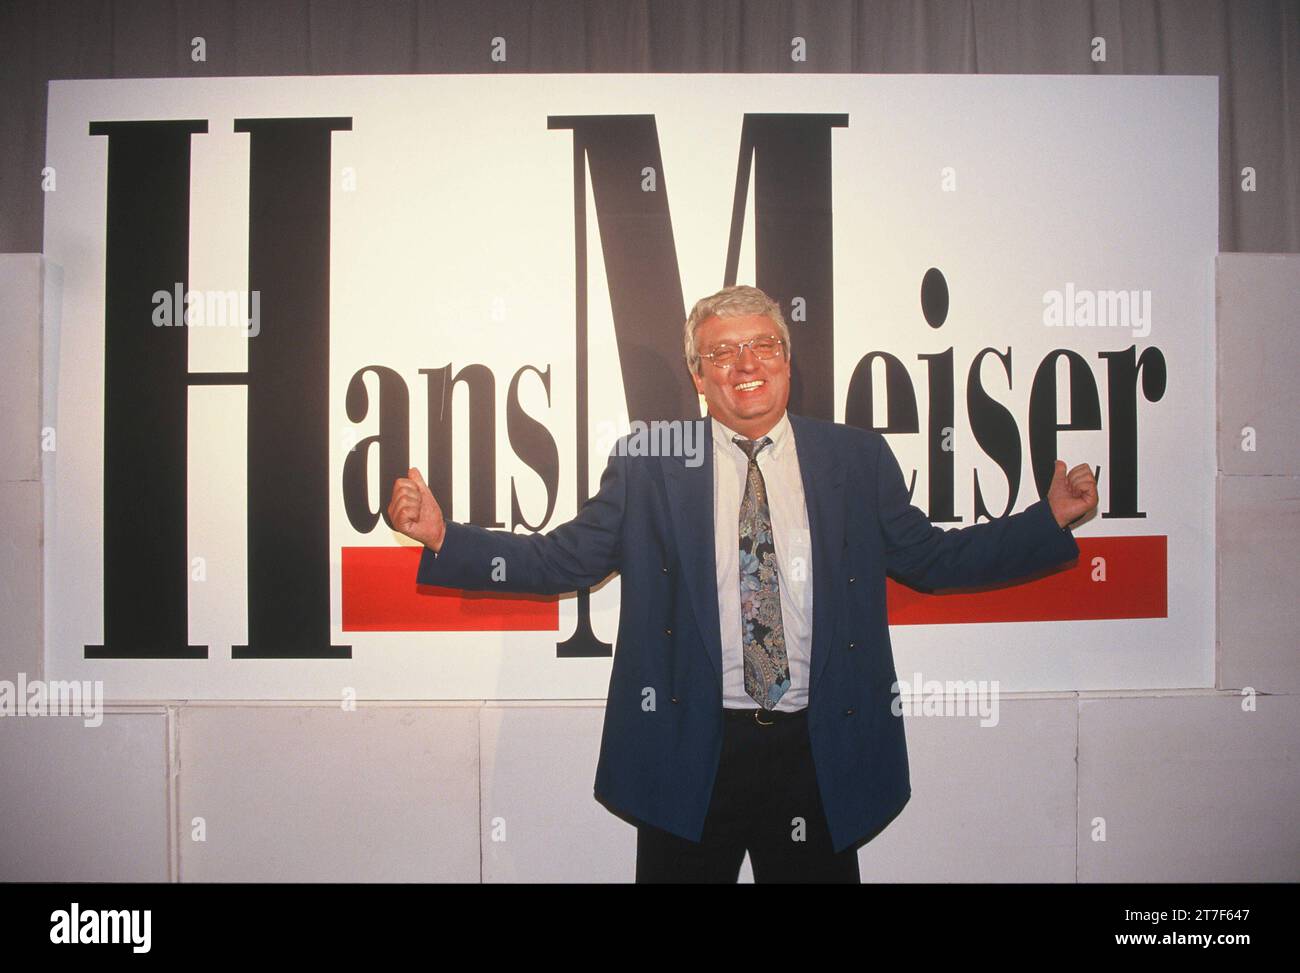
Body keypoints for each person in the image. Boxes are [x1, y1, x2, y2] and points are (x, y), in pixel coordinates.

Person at [388, 285, 1098, 882]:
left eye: (762, 344)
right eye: (721, 352)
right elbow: (563, 560)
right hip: (693, 751)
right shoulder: (648, 462)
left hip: (816, 753)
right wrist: (447, 539)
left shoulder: (853, 457)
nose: (744, 363)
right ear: (699, 375)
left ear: (788, 361)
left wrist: (1047, 521)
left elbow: (932, 560)